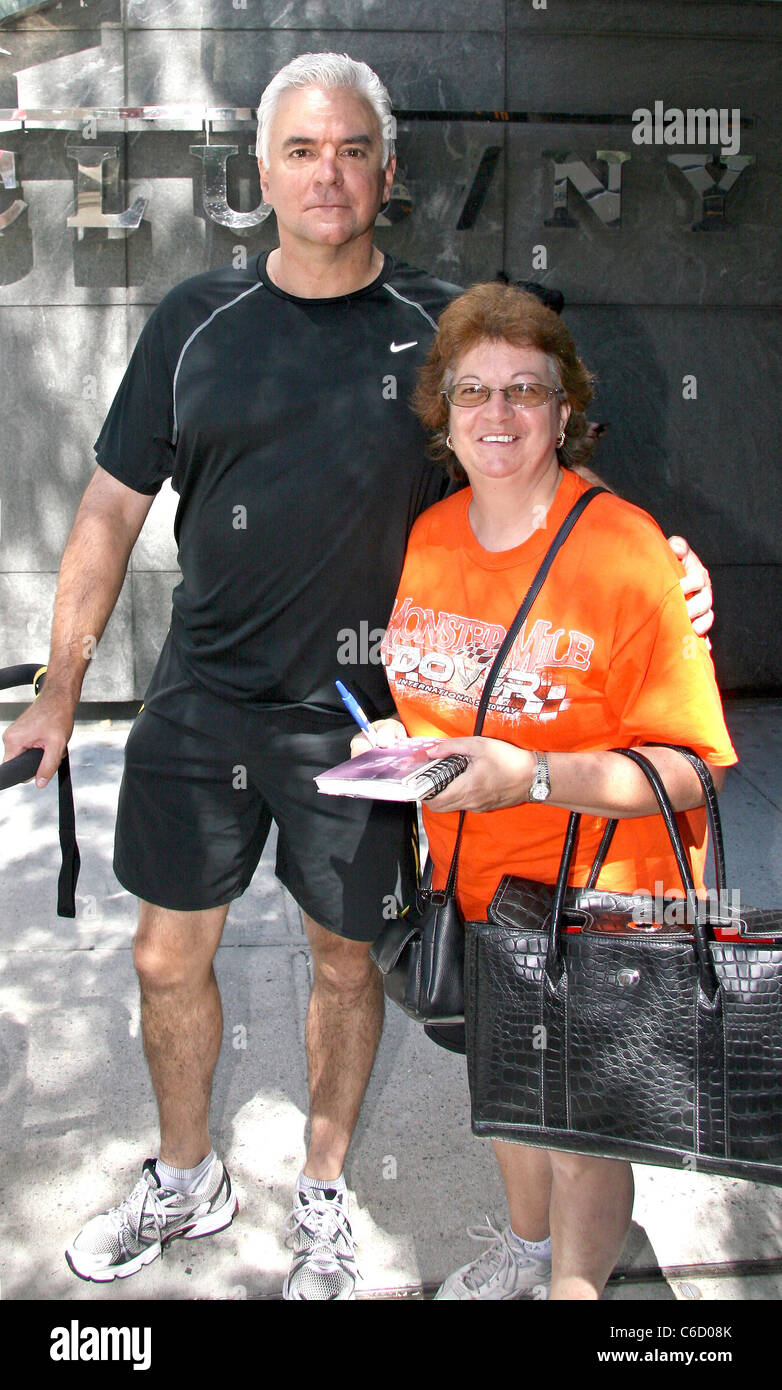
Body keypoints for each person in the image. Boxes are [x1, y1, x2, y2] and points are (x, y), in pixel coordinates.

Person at [1, 55, 714, 1302]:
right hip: (200, 701)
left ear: (386, 173)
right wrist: (62, 686)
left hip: (363, 725)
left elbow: (527, 455)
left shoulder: (442, 327)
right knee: (165, 958)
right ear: (260, 172)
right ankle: (186, 1174)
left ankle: (323, 1190)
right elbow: (109, 510)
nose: (324, 174)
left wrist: (655, 553)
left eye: (349, 151)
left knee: (344, 964)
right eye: (299, 150)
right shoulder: (193, 322)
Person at [351, 281, 736, 1300]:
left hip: (598, 909)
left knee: (579, 1134)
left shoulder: (626, 550)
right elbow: (443, 696)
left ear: (565, 411)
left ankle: (576, 1285)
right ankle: (527, 1248)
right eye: (472, 390)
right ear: (441, 413)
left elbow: (690, 767)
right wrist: (399, 744)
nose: (498, 413)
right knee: (506, 1100)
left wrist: (527, 774)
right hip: (474, 895)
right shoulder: (432, 535)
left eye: (526, 389)